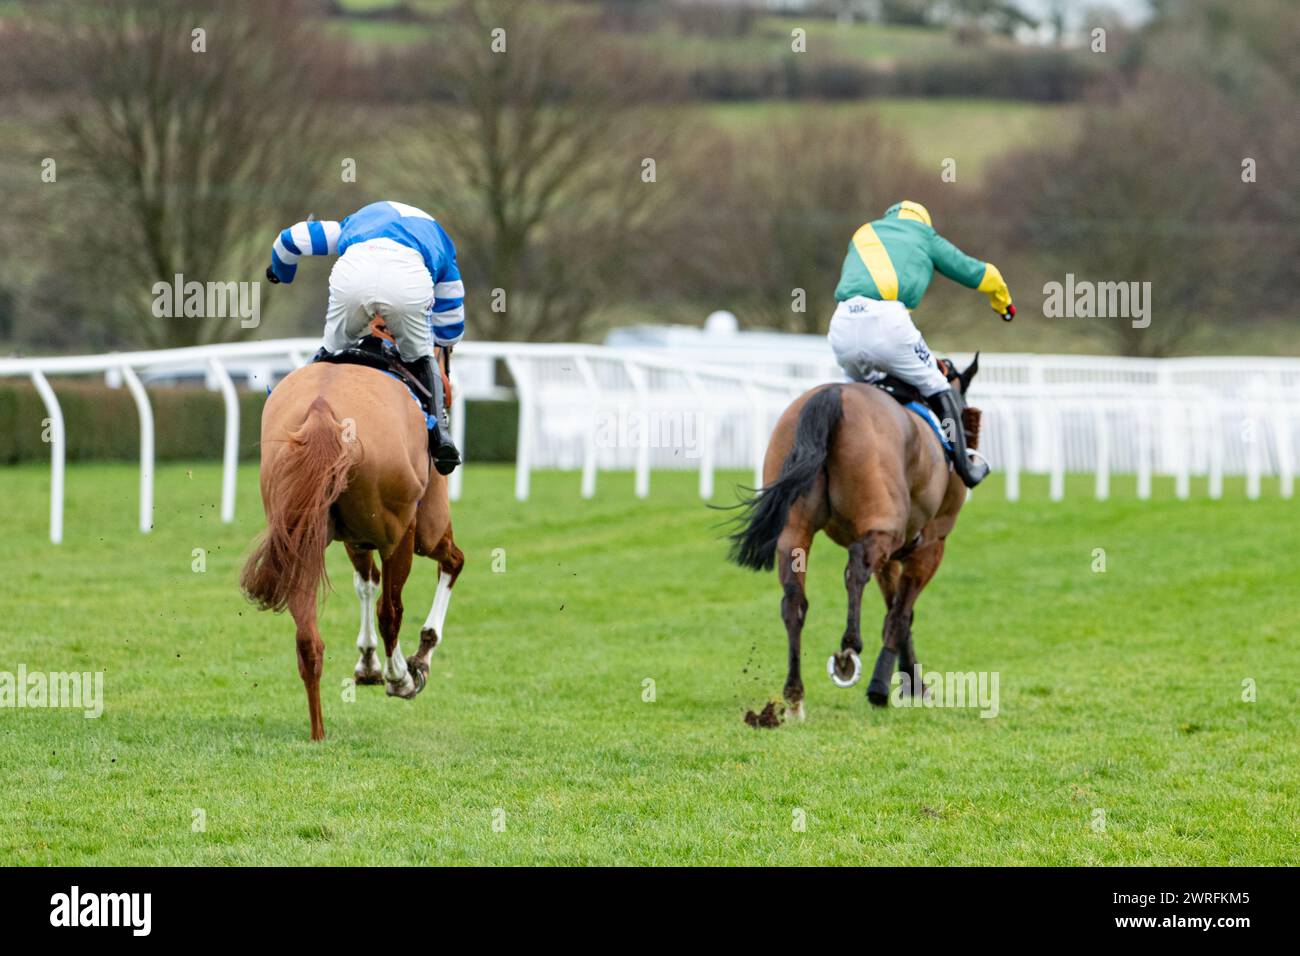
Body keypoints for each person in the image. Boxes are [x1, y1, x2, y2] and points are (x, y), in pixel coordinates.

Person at [265, 200, 463, 475]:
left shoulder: (352, 224)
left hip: (353, 278)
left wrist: (280, 273)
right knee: (420, 357)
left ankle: (292, 411)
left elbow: (290, 239)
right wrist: (442, 339)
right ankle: (442, 437)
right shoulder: (442, 241)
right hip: (407, 283)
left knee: (330, 352)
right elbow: (451, 317)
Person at [829, 200, 1014, 488]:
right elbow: (982, 275)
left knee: (855, 397)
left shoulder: (864, 231)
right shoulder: (924, 235)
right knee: (938, 385)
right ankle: (966, 467)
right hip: (888, 322)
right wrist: (1003, 304)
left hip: (841, 324)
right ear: (923, 222)